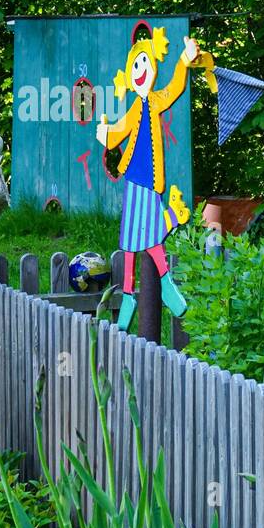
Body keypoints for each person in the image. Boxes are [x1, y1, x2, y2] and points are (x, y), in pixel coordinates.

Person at [95, 27, 196, 330]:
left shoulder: (154, 101)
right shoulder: (135, 107)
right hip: (133, 178)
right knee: (130, 241)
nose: (141, 71)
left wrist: (184, 60)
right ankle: (128, 293)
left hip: (151, 181)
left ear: (152, 69)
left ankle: (163, 284)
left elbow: (176, 86)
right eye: (136, 66)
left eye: (145, 65)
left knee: (151, 237)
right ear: (130, 72)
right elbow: (120, 130)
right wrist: (107, 135)